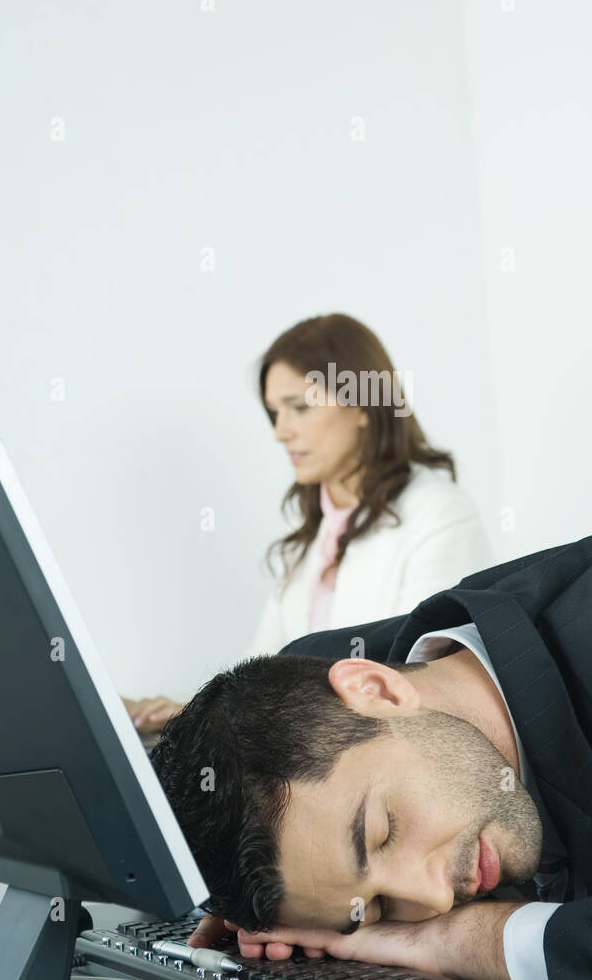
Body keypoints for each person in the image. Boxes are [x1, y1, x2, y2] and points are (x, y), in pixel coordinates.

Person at [151, 511, 592, 980]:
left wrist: (463, 941)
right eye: (373, 909)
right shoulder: (312, 703)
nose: (427, 901)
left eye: (382, 834)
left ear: (378, 688)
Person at [125, 312, 491, 733]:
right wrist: (186, 716)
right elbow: (261, 670)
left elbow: (408, 679)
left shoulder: (438, 514)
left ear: (362, 406)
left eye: (299, 407)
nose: (281, 431)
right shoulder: (306, 544)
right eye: (274, 412)